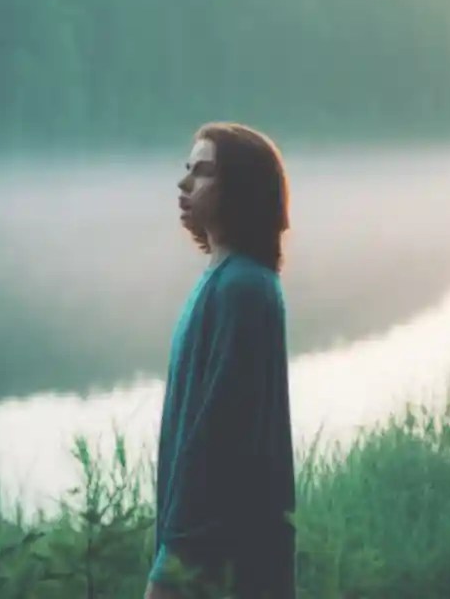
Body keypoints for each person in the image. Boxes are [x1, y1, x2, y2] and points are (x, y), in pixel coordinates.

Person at [146, 122, 296, 599]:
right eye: (187, 169)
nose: (184, 183)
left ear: (241, 190)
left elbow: (218, 443)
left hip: (221, 569)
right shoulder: (223, 281)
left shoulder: (243, 289)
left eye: (203, 172)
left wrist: (172, 569)